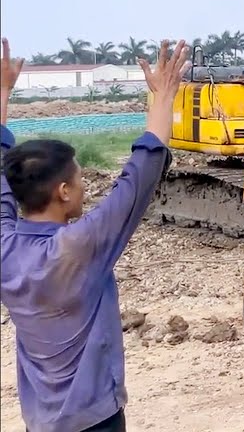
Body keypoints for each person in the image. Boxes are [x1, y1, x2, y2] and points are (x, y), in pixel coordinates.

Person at [0, 37, 189, 432]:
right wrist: (163, 97)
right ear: (63, 192)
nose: (84, 187)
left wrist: (2, 94)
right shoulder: (79, 247)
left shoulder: (5, 247)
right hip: (95, 420)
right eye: (79, 179)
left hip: (40, 422)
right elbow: (138, 179)